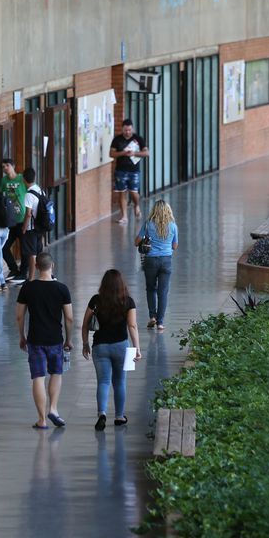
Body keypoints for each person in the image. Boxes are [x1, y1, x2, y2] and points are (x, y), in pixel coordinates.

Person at [15, 252, 74, 429]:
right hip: (55, 339)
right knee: (56, 373)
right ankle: (54, 409)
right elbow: (69, 317)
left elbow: (19, 316)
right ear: (52, 266)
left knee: (38, 377)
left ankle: (41, 420)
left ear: (37, 267)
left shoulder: (28, 288)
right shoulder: (62, 289)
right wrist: (69, 339)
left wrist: (22, 336)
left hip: (35, 339)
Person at [81, 269, 142, 430]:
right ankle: (119, 416)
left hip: (100, 346)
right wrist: (137, 348)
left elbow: (85, 323)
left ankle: (102, 413)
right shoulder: (128, 301)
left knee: (103, 382)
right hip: (122, 346)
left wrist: (85, 343)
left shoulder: (96, 300)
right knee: (120, 382)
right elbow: (132, 326)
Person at [135, 199, 178, 332]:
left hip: (150, 261)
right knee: (163, 292)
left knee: (151, 288)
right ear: (168, 211)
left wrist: (147, 239)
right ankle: (160, 323)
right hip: (166, 261)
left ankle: (152, 316)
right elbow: (175, 246)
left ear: (154, 210)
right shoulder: (173, 226)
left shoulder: (148, 224)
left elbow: (136, 242)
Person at [109, 119, 149, 225]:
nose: (127, 132)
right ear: (122, 129)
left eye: (129, 130)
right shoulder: (117, 140)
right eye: (125, 130)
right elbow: (111, 154)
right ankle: (124, 216)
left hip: (134, 170)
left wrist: (134, 153)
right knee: (122, 193)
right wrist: (123, 153)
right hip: (120, 170)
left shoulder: (138, 139)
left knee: (133, 192)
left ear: (132, 129)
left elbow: (146, 153)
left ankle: (136, 205)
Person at [0, 158, 28, 283]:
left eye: (7, 165)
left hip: (22, 219)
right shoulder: (3, 181)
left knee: (24, 249)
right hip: (10, 221)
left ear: (13, 166)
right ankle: (14, 269)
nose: (5, 168)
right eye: (3, 167)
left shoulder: (21, 179)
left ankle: (23, 274)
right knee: (4, 247)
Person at [21, 167, 44, 281]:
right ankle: (43, 275)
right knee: (39, 252)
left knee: (32, 254)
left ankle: (30, 278)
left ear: (24, 180)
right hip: (40, 226)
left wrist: (24, 228)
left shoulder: (29, 194)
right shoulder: (39, 190)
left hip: (31, 228)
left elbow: (28, 214)